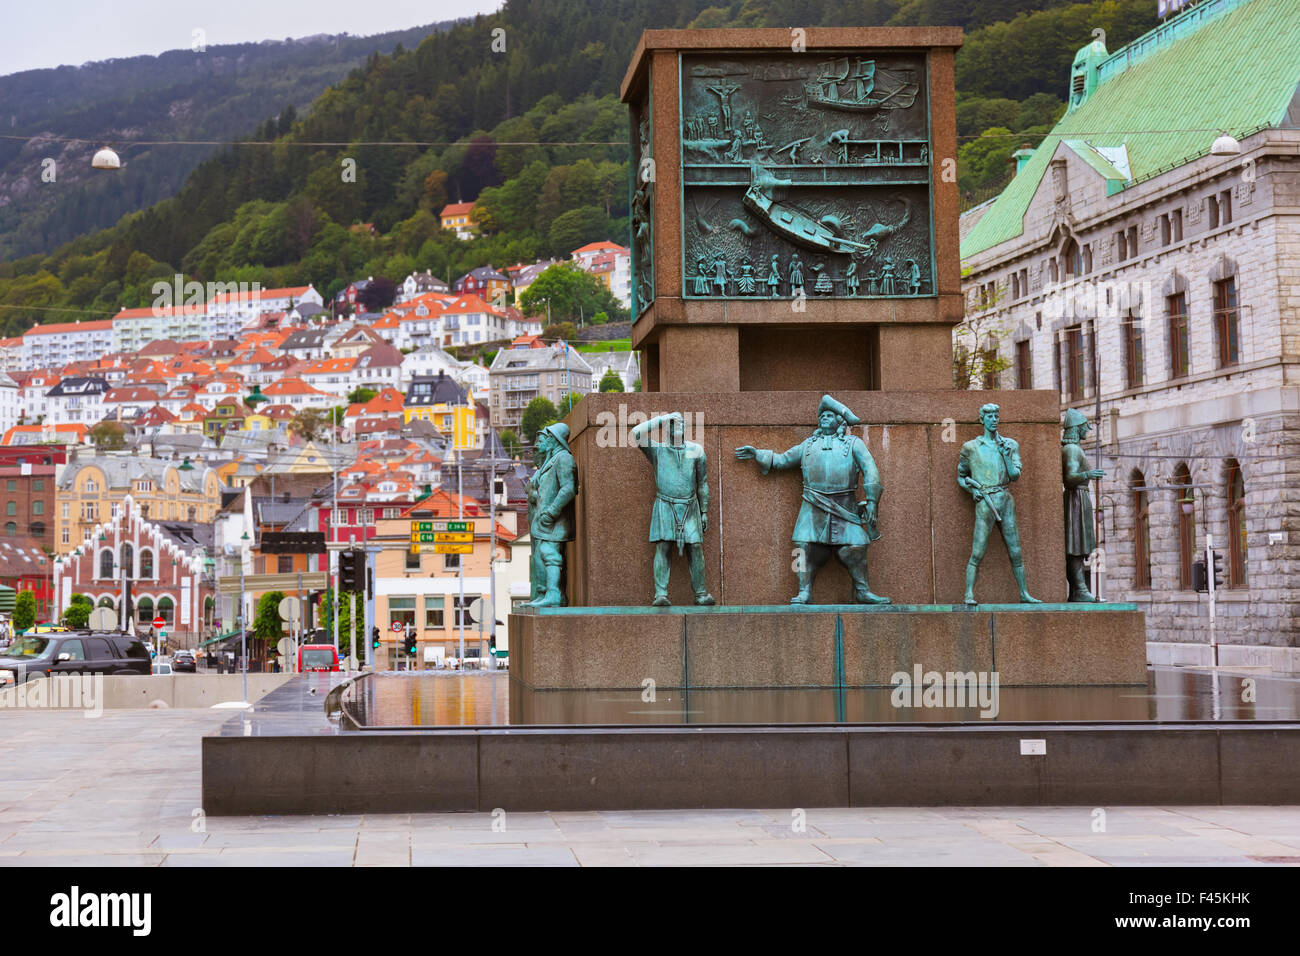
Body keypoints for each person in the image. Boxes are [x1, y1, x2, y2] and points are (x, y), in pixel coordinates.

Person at [735, 395, 888, 604]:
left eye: (829, 415)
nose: (824, 418)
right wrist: (758, 454)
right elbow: (782, 460)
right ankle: (804, 590)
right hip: (812, 505)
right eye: (822, 415)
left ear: (839, 421)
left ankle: (862, 590)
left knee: (857, 545)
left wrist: (872, 502)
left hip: (845, 506)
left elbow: (871, 471)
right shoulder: (807, 445)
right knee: (802, 546)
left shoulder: (854, 444)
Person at [958, 403, 1041, 605]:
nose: (994, 419)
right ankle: (969, 593)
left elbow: (1014, 476)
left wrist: (1006, 456)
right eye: (990, 416)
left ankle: (1024, 593)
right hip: (985, 502)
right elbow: (961, 476)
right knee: (978, 550)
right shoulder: (971, 447)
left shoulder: (1010, 445)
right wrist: (973, 489)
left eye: (996, 415)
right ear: (982, 419)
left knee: (1015, 550)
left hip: (1005, 500)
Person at [630, 413, 715, 606]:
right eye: (672, 424)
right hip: (665, 504)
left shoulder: (697, 450)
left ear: (686, 428)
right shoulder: (657, 450)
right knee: (663, 546)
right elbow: (635, 433)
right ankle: (660, 594)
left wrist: (704, 511)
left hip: (690, 505)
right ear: (665, 428)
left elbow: (702, 483)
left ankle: (700, 594)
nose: (677, 427)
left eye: (680, 424)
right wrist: (663, 418)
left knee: (695, 547)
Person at [527, 423, 576, 607]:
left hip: (556, 520)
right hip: (546, 521)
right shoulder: (552, 460)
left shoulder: (563, 458)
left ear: (554, 440)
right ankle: (551, 594)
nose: (542, 442)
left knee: (550, 554)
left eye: (546, 438)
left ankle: (554, 594)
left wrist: (552, 512)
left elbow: (568, 488)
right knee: (544, 554)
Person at [1061, 408, 1106, 601]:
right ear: (1076, 428)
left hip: (1081, 497)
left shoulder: (1076, 449)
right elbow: (1069, 478)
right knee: (1076, 547)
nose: (1087, 432)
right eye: (1084, 428)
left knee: (1079, 546)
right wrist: (1088, 475)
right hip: (1075, 499)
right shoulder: (1071, 449)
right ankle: (1079, 588)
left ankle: (1077, 589)